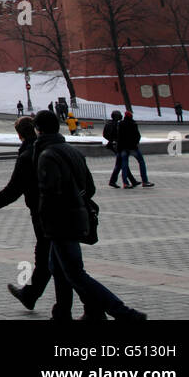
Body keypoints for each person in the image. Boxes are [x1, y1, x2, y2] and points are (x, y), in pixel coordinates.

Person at [33, 109, 145, 320]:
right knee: (57, 268)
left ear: (38, 130)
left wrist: (45, 220)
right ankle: (65, 314)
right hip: (77, 217)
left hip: (60, 223)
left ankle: (124, 313)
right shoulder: (72, 150)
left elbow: (50, 194)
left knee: (75, 274)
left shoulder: (47, 155)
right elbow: (90, 188)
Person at [0, 116, 72, 318]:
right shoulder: (58, 148)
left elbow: (14, 188)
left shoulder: (29, 155)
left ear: (19, 134)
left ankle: (92, 305)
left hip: (44, 213)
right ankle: (33, 295)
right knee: (55, 260)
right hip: (67, 211)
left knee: (60, 263)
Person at [119, 111, 153, 188]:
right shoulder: (133, 124)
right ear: (131, 116)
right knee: (141, 161)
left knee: (124, 164)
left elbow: (119, 136)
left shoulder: (121, 124)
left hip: (124, 148)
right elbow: (137, 136)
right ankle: (145, 181)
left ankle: (125, 183)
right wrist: (135, 143)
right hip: (133, 147)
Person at [102, 110, 135, 189]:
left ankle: (132, 181)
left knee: (120, 163)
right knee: (121, 164)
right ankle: (114, 181)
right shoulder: (116, 124)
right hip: (117, 146)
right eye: (119, 115)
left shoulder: (109, 123)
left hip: (113, 145)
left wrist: (111, 140)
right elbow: (118, 135)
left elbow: (104, 134)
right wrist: (115, 140)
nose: (121, 116)